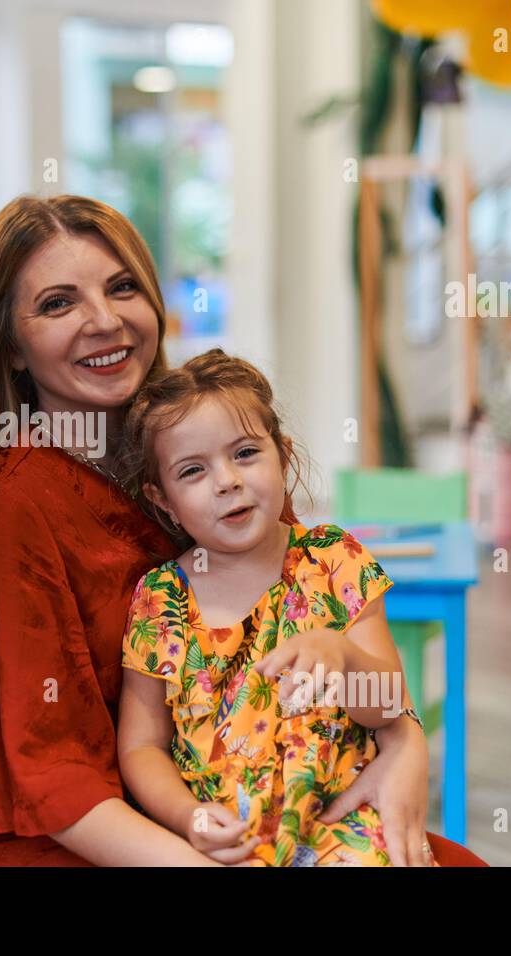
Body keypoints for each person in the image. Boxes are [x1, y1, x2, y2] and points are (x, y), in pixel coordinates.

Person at [0, 194, 446, 867]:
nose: (105, 320)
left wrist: (405, 744)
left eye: (123, 288)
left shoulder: (206, 441)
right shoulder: (17, 496)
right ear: (12, 348)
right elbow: (52, 775)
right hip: (57, 833)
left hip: (260, 813)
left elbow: (340, 643)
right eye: (58, 304)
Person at [117, 349, 431, 866]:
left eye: (244, 454)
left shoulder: (333, 559)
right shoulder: (160, 600)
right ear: (163, 500)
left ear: (283, 455)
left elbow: (390, 706)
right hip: (223, 838)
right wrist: (188, 818)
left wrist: (343, 656)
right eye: (193, 470)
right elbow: (141, 746)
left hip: (339, 822)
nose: (227, 480)